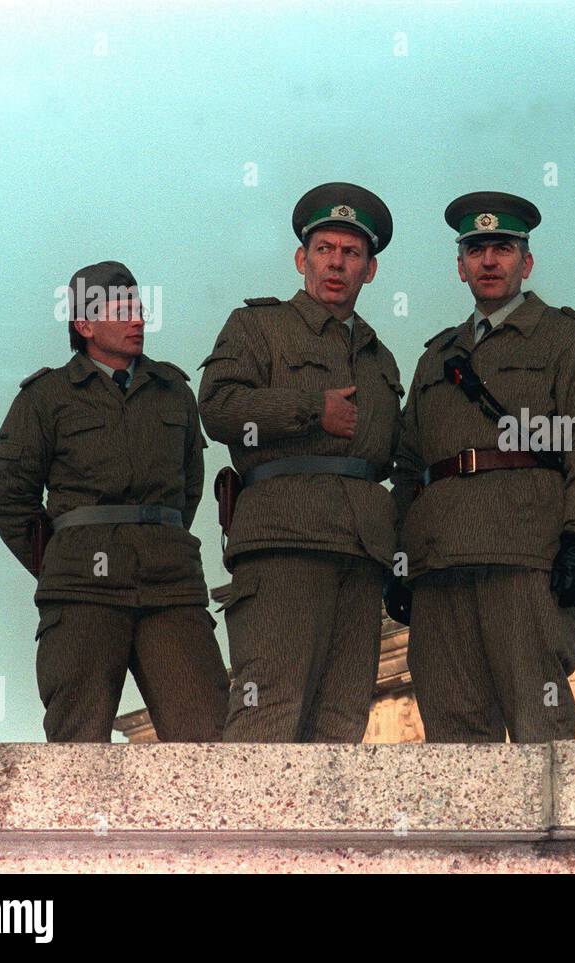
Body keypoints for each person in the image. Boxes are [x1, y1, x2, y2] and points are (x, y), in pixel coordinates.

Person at [388, 191, 575, 742]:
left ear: (526, 261)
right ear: (461, 265)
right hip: (439, 564)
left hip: (523, 554)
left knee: (538, 726)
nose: (489, 261)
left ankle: (554, 833)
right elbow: (407, 470)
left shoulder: (566, 341)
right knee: (453, 735)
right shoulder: (436, 358)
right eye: (476, 249)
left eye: (503, 248)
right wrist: (400, 559)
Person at [0, 260, 229, 742]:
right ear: (84, 324)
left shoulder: (173, 391)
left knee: (207, 739)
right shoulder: (47, 396)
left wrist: (158, 540)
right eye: (121, 309)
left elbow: (189, 489)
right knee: (78, 741)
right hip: (82, 588)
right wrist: (58, 560)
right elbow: (7, 495)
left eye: (139, 307)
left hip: (170, 585)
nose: (137, 318)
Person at [198, 182, 403, 742]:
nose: (336, 263)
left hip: (361, 555)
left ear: (370, 269)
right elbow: (217, 409)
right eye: (324, 249)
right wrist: (311, 409)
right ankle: (251, 833)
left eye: (351, 253)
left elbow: (395, 458)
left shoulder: (380, 357)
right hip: (283, 544)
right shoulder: (258, 327)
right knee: (269, 710)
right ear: (301, 258)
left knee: (342, 721)